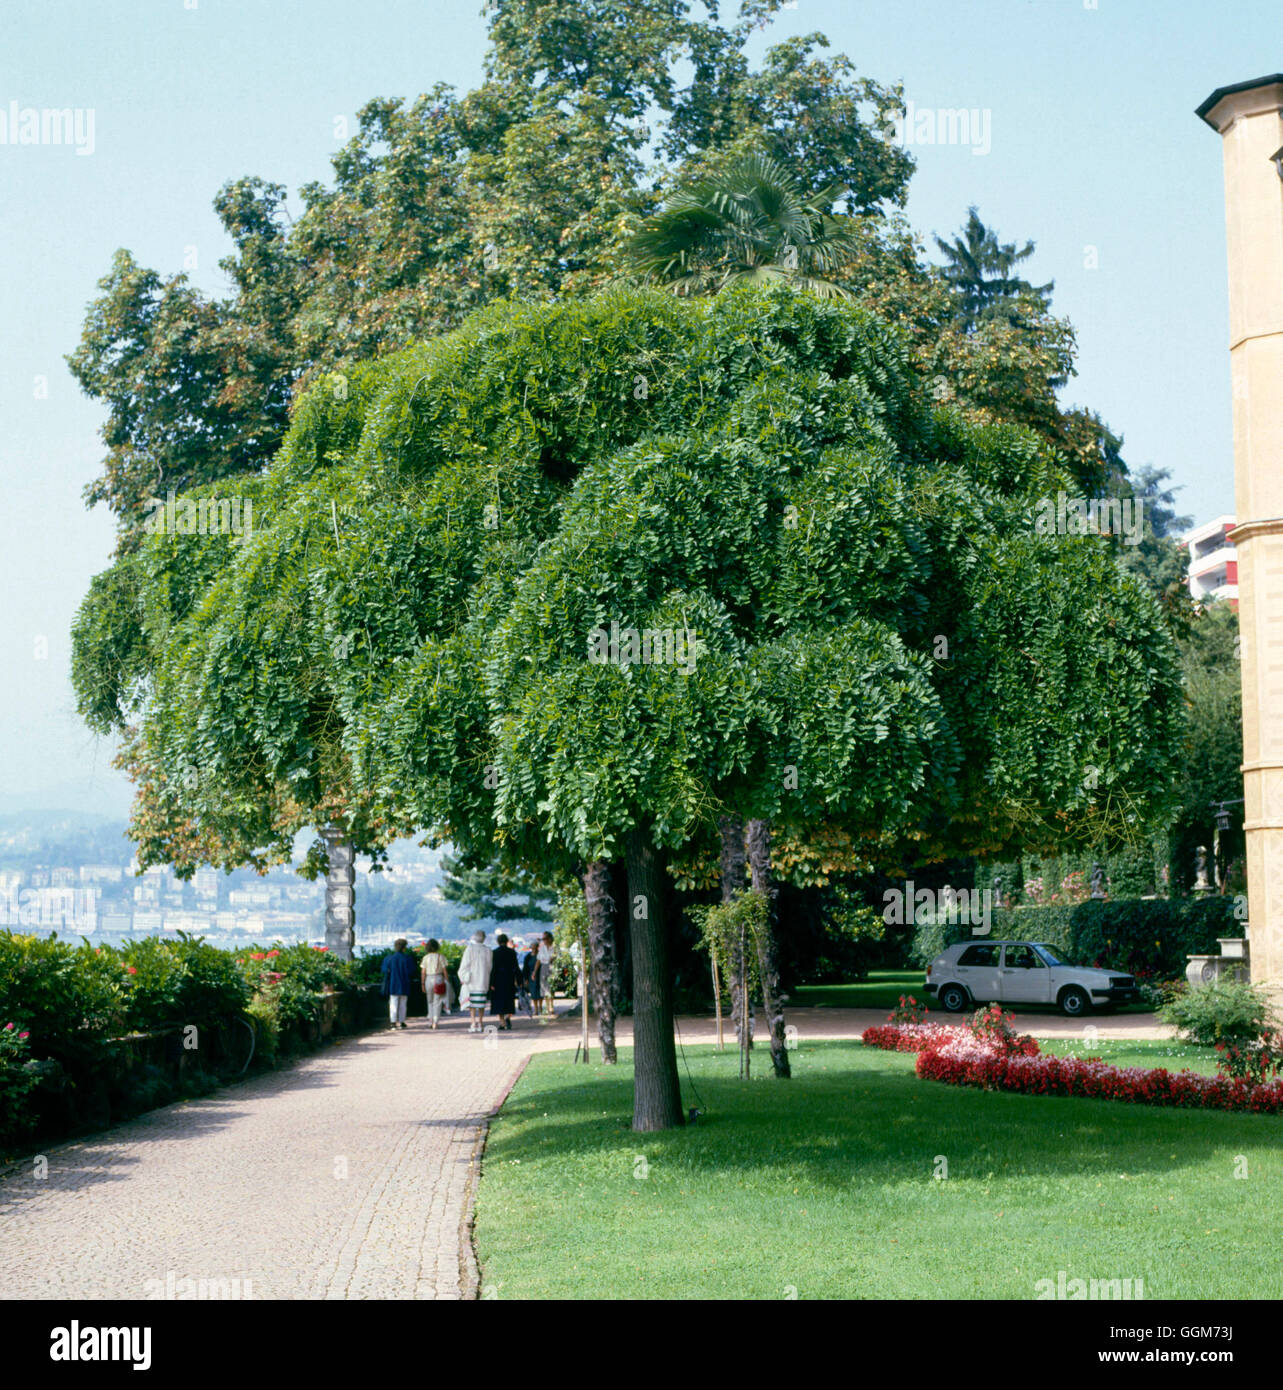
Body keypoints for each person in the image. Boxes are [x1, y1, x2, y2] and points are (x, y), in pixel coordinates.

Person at [457, 930, 493, 1033]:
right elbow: (489, 966)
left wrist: (463, 977)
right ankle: (480, 1023)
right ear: (484, 938)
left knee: (472, 1004)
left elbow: (464, 965)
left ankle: (473, 1023)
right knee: (481, 1003)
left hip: (472, 980)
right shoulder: (488, 950)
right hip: (483, 979)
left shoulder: (469, 949)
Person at [380, 938, 416, 1030]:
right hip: (404, 983)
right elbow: (411, 971)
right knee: (403, 1004)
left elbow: (384, 970)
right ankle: (401, 1021)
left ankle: (393, 1023)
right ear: (404, 947)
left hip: (393, 983)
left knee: (393, 1003)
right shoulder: (407, 958)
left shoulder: (389, 958)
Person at [490, 933, 520, 1031]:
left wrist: (491, 982)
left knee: (499, 1001)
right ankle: (508, 1017)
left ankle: (502, 1022)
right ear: (507, 941)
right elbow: (516, 967)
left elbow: (493, 968)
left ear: (498, 942)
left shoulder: (494, 952)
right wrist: (518, 980)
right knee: (508, 999)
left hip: (498, 979)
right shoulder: (512, 952)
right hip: (509, 978)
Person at [420, 938, 449, 1030]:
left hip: (428, 979)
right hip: (439, 978)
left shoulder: (425, 958)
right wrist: (447, 981)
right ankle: (435, 1022)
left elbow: (423, 972)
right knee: (438, 1002)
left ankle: (430, 1020)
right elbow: (445, 971)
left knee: (430, 1001)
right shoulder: (441, 957)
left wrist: (422, 983)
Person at [536, 931, 556, 1018]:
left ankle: (551, 1005)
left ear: (549, 939)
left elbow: (557, 957)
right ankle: (548, 1006)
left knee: (551, 987)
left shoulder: (554, 947)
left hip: (552, 967)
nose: (543, 941)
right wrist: (534, 971)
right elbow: (539, 960)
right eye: (543, 939)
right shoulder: (542, 948)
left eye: (545, 939)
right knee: (544, 987)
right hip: (544, 967)